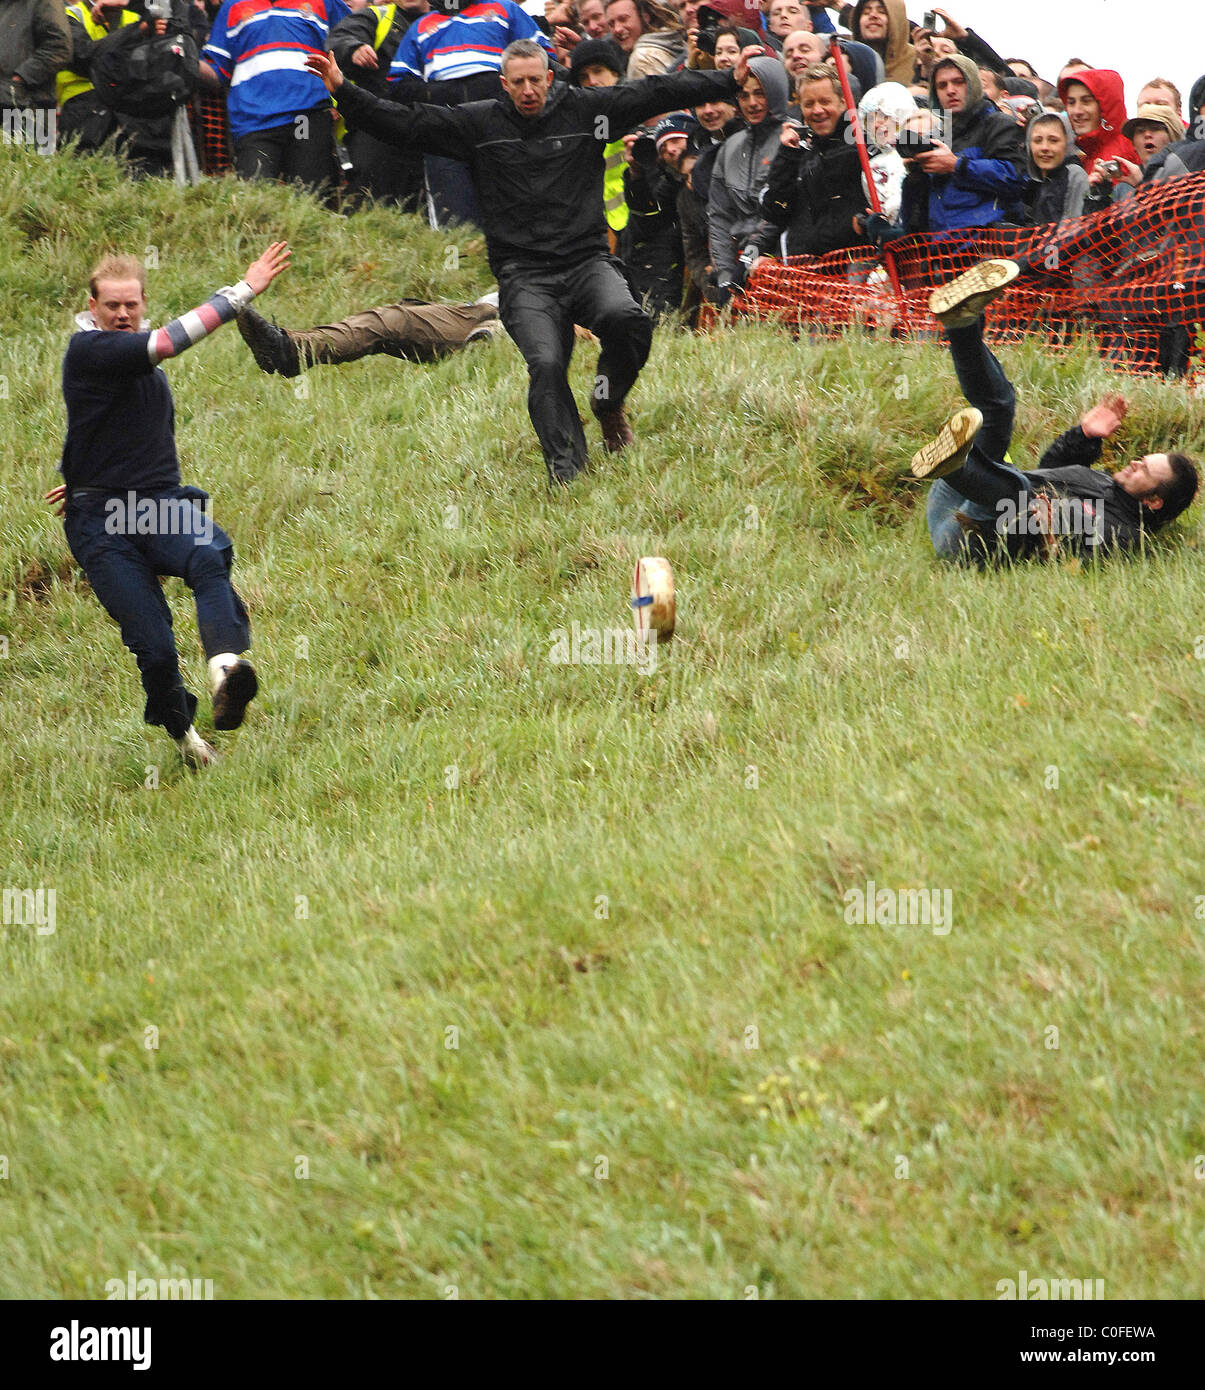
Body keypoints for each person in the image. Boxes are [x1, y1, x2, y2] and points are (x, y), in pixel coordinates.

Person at [308, 38, 752, 483]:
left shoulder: (587, 111)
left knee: (628, 319)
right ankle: (568, 475)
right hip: (524, 274)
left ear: (549, 78)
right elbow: (406, 123)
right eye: (517, 83)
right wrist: (342, 89)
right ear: (504, 84)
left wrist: (727, 80)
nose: (527, 91)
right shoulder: (479, 123)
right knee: (546, 362)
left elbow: (658, 90)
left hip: (585, 260)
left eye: (535, 81)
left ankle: (608, 403)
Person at [47, 242, 291, 769]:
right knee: (154, 646)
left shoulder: (138, 364)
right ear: (92, 307)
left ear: (142, 302)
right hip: (104, 527)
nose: (121, 314)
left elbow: (112, 429)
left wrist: (86, 474)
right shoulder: (88, 350)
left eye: (131, 304)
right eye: (111, 305)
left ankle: (227, 671)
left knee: (206, 552)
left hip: (154, 507)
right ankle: (186, 739)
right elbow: (167, 343)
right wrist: (243, 292)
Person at [915, 259, 1198, 564]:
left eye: (1144, 469)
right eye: (1141, 460)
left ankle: (956, 465)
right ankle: (962, 323)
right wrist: (1085, 435)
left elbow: (1068, 556)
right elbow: (1049, 467)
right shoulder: (1105, 483)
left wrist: (1050, 533)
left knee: (1020, 493)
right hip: (964, 496)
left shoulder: (1122, 534)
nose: (1134, 463)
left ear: (1154, 501)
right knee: (1000, 407)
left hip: (969, 539)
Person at [387, 1, 554, 229]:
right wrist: (437, 95)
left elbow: (544, 61)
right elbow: (397, 85)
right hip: (446, 133)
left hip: (503, 127)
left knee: (517, 212)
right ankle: (459, 264)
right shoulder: (420, 27)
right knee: (454, 224)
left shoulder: (505, 9)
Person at [200, 0, 350, 197]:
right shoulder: (232, 6)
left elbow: (351, 40)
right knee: (255, 205)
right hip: (254, 122)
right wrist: (180, 55)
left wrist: (343, 101)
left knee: (309, 200)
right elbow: (215, 69)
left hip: (304, 117)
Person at [897, 54, 1025, 234]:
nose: (950, 90)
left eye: (958, 82)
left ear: (973, 83)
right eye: (942, 85)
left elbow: (1015, 178)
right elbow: (916, 220)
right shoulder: (937, 138)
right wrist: (915, 179)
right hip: (943, 250)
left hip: (990, 245)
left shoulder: (999, 124)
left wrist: (956, 165)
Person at [235, 293, 501, 377]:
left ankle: (486, 342)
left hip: (518, 326)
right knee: (391, 320)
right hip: (489, 307)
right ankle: (288, 349)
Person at [760, 63, 870, 258]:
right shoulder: (801, 154)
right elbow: (775, 210)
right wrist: (787, 156)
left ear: (843, 102)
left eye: (825, 101)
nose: (817, 110)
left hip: (855, 268)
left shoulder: (863, 147)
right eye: (809, 104)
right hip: (808, 274)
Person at [328, 0, 430, 209]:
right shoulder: (376, 16)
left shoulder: (447, 19)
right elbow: (339, 39)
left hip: (430, 125)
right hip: (377, 125)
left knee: (424, 205)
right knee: (369, 200)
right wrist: (354, 49)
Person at [708, 54, 787, 301]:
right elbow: (719, 216)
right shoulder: (729, 147)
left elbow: (782, 209)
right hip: (739, 265)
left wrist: (750, 256)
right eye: (743, 95)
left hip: (779, 261)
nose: (751, 103)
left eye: (760, 93)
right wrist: (724, 273)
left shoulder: (793, 138)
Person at [1057, 68, 1136, 177]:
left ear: (1106, 105)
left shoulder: (1130, 150)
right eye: (1071, 102)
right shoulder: (1086, 154)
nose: (1077, 111)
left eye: (1086, 101)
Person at [0, 0, 69, 124]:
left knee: (26, 143)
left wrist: (19, 79)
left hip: (30, 106)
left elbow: (59, 47)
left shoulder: (43, 3)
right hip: (7, 100)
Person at [1022, 109, 1088, 225]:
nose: (1045, 147)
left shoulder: (1074, 175)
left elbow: (1073, 233)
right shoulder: (1033, 183)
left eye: (1053, 140)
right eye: (1037, 141)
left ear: (1067, 143)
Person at [605, 0, 685, 79]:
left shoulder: (641, 59)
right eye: (611, 24)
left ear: (644, 17)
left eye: (623, 19)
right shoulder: (675, 42)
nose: (617, 29)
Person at [847, 0, 911, 87]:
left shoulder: (917, 61)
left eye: (882, 12)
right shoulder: (847, 60)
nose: (873, 15)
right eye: (866, 12)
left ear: (897, 20)